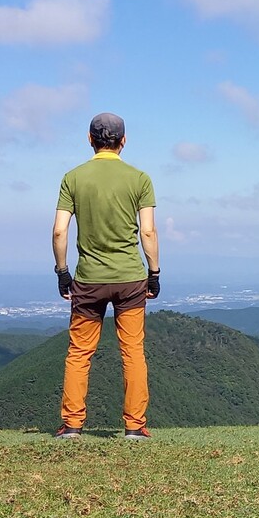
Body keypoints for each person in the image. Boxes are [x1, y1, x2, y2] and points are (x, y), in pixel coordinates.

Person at [52, 112, 160, 439]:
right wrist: (153, 273)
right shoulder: (140, 179)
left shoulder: (73, 178)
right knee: (133, 352)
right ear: (123, 141)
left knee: (80, 352)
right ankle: (135, 427)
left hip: (88, 280)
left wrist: (62, 272)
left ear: (90, 140)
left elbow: (59, 233)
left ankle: (72, 424)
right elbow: (149, 233)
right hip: (130, 279)